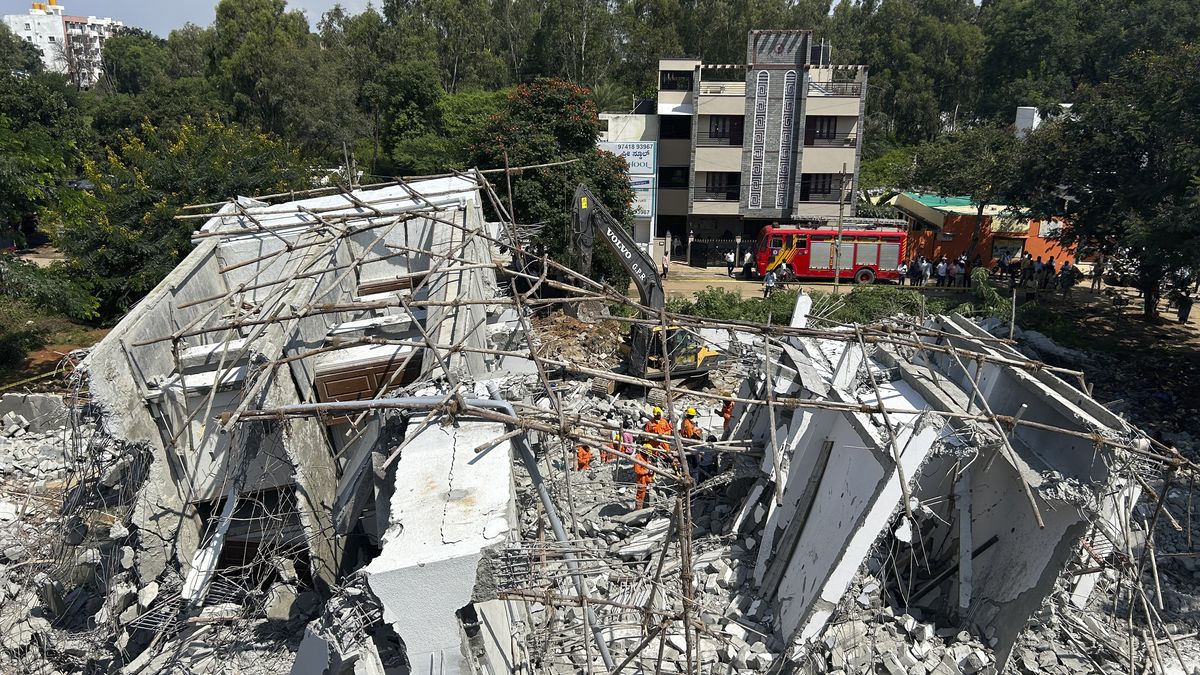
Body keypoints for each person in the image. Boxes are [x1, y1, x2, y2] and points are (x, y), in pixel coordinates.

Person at [633, 443, 654, 509]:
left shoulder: (646, 457)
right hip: (641, 480)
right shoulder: (638, 457)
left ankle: (646, 507)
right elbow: (637, 470)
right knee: (640, 495)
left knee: (646, 494)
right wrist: (646, 471)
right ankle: (638, 509)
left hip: (647, 480)